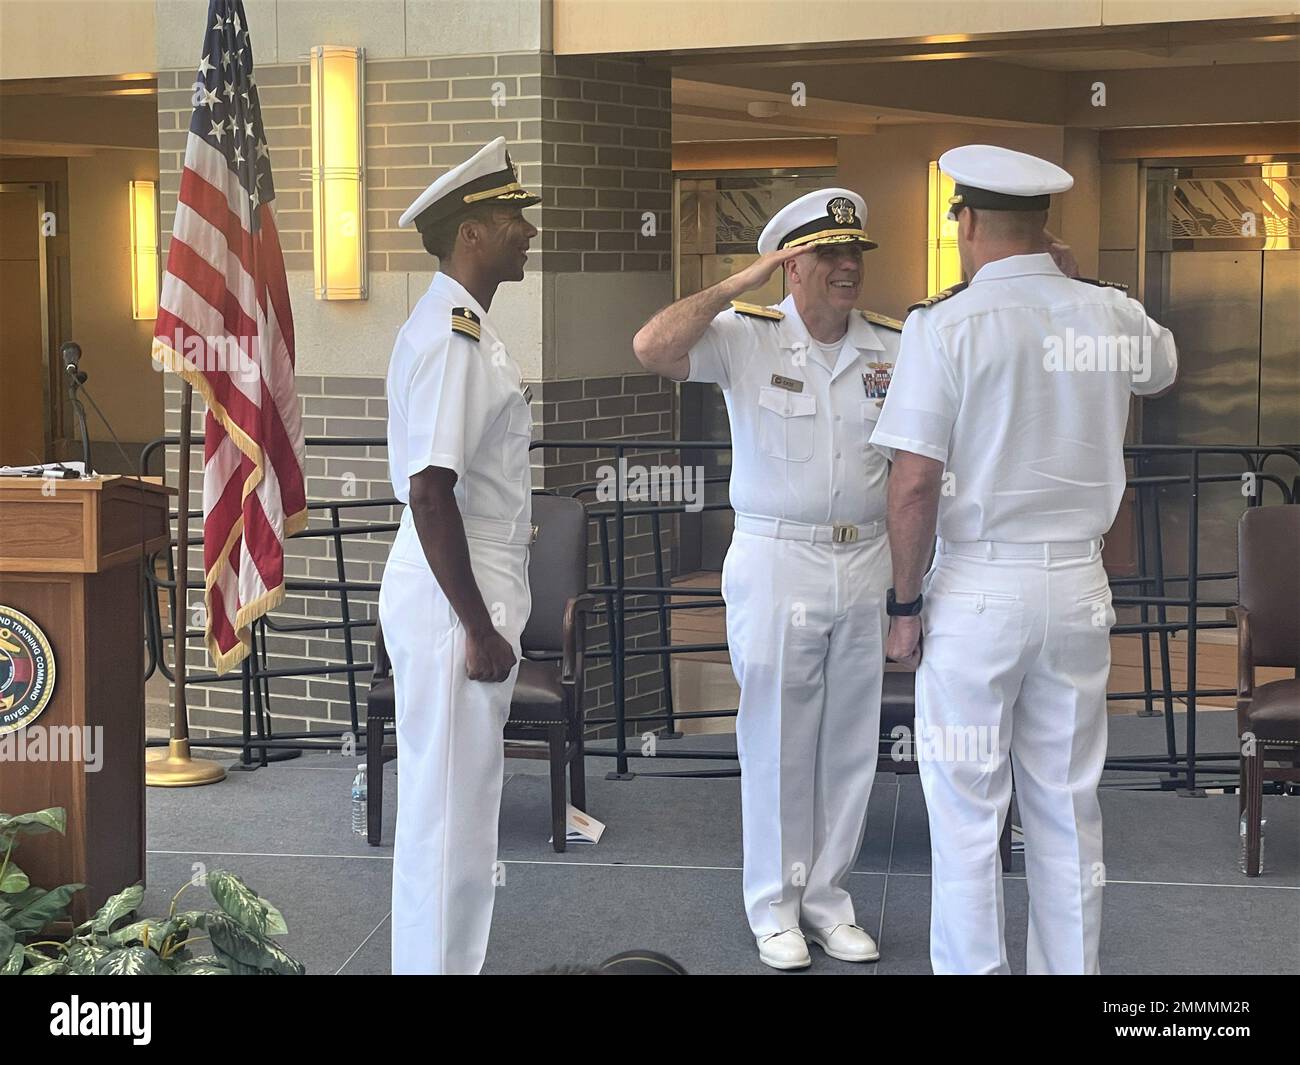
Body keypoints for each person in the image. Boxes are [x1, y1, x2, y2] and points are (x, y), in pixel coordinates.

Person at [869, 144, 1178, 975]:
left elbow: (914, 482)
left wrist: (902, 610)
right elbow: (1164, 365)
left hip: (976, 590)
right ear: (1048, 227)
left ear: (966, 223)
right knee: (1067, 808)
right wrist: (1084, 286)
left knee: (969, 812)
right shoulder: (1108, 315)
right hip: (1077, 587)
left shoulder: (946, 324)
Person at [633, 189, 902, 970]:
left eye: (855, 254)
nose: (849, 267)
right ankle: (775, 906)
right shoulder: (744, 336)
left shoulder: (891, 345)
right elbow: (651, 347)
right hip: (778, 556)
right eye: (830, 255)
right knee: (779, 735)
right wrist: (730, 285)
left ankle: (828, 900)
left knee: (851, 740)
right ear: (791, 266)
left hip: (866, 555)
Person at [379, 137, 540, 974]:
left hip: (462, 590)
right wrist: (477, 627)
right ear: (472, 233)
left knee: (460, 815)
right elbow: (431, 491)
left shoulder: (466, 330)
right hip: (455, 604)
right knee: (449, 820)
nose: (528, 231)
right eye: (514, 217)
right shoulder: (451, 338)